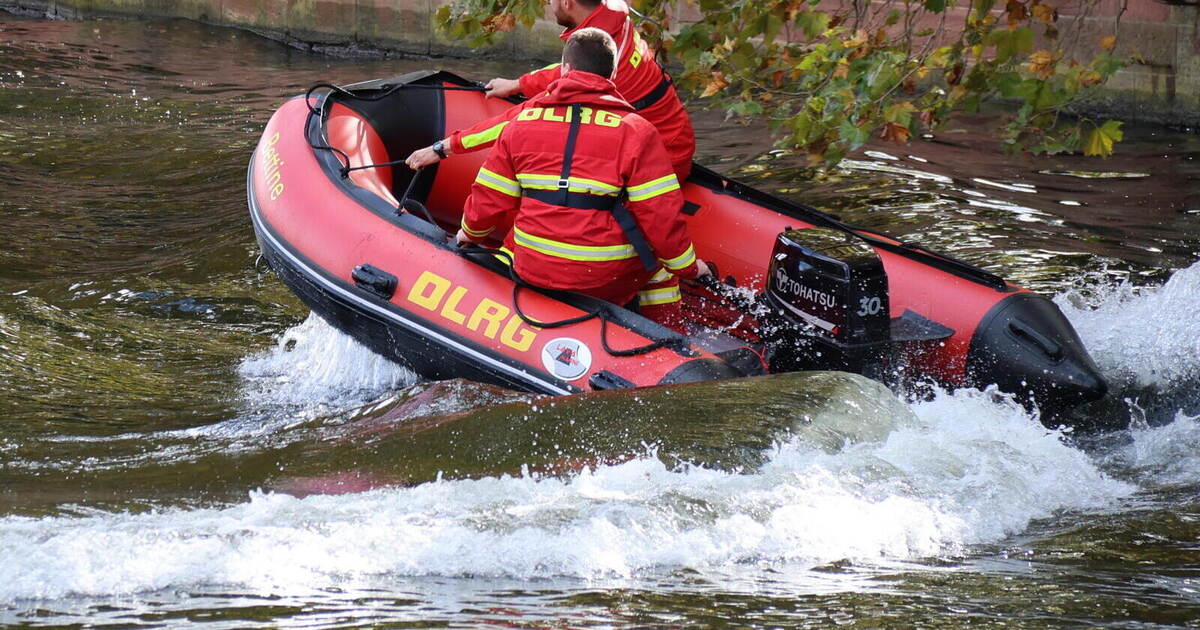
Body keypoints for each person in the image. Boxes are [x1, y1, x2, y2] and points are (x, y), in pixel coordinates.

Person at [450, 27, 709, 331]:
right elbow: (660, 216)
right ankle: (669, 341)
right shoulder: (636, 131)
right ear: (613, 74)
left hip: (533, 269)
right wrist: (688, 268)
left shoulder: (521, 124)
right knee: (661, 269)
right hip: (604, 278)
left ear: (564, 69)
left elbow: (488, 199)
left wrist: (469, 235)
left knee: (513, 243)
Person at [407, 0, 695, 182]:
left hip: (658, 159)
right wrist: (519, 84)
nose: (547, 3)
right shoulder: (612, 14)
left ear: (568, 3)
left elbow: (520, 118)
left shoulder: (595, 67)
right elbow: (564, 69)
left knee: (550, 182)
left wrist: (443, 148)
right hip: (666, 138)